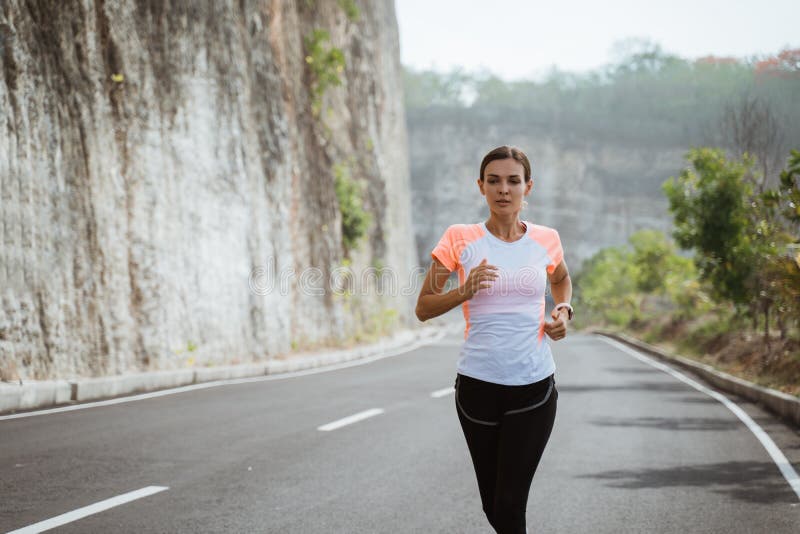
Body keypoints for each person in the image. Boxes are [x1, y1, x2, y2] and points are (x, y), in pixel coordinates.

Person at [415, 145, 572, 534]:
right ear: (481, 186)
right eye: (494, 181)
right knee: (493, 505)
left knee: (509, 502)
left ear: (528, 187)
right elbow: (424, 307)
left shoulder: (546, 239)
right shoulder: (459, 238)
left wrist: (564, 311)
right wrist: (464, 290)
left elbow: (561, 279)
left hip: (533, 386)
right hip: (477, 387)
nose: (504, 189)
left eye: (513, 181)